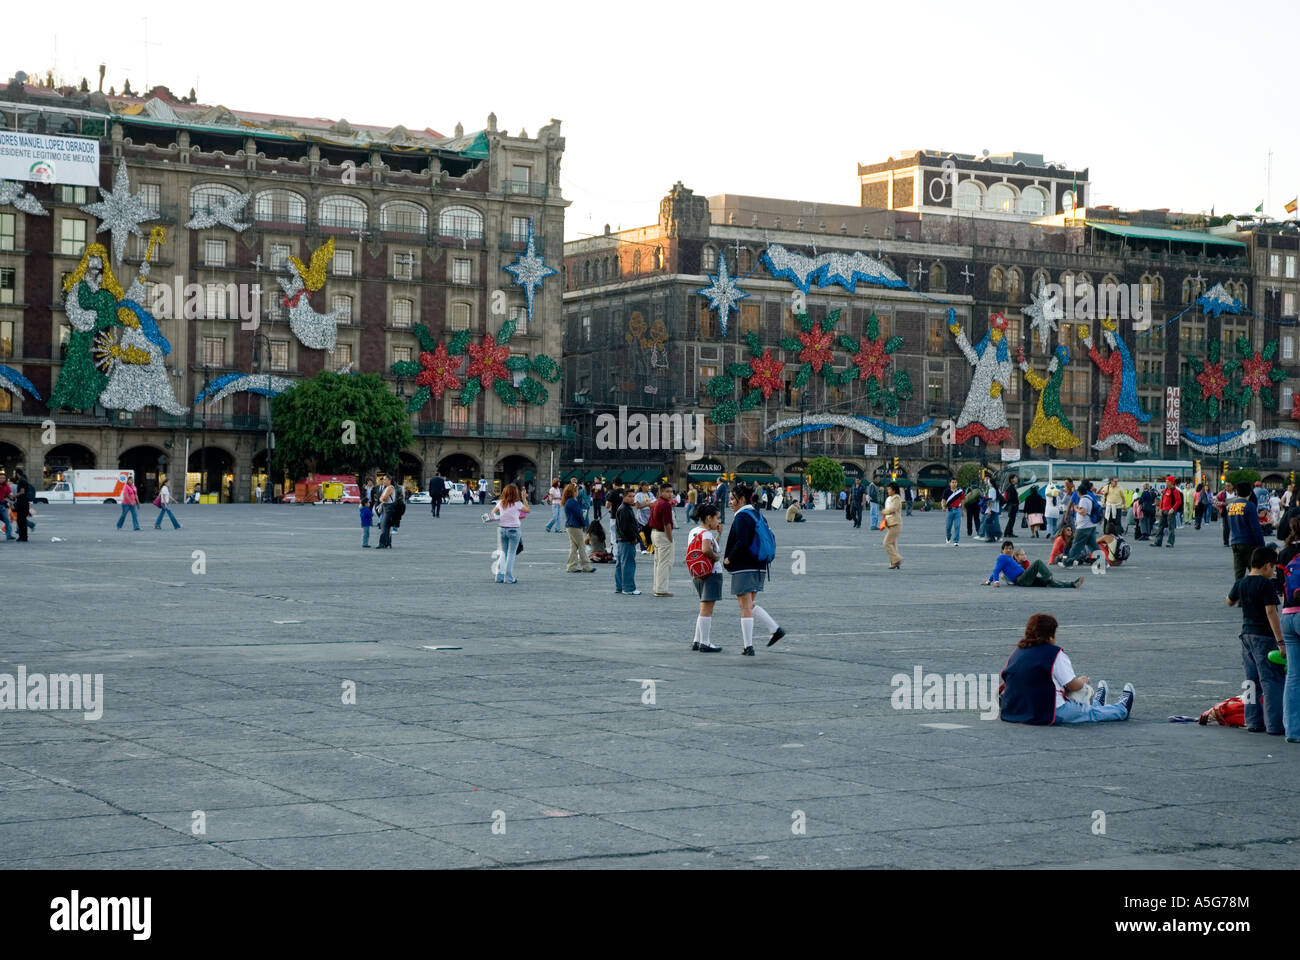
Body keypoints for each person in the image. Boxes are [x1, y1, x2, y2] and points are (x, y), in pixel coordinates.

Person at [999, 613, 1134, 724]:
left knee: (1083, 709)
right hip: (1048, 711)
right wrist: (1083, 681)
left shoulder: (1017, 652)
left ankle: (1097, 703)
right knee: (1090, 713)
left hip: (1015, 711)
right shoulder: (1054, 654)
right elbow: (1072, 686)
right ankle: (1121, 709)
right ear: (1051, 636)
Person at [1228, 546, 1286, 735]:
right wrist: (1280, 641)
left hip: (1246, 635)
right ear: (1267, 565)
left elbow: (1229, 601)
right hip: (1264, 637)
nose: (1274, 571)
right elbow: (1271, 611)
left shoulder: (1242, 582)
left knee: (1251, 680)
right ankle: (1275, 724)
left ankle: (1253, 720)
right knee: (1271, 681)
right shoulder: (1265, 584)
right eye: (1273, 567)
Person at [724, 482, 784, 655]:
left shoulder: (741, 517)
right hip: (759, 564)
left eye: (732, 499)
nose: (730, 502)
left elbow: (742, 541)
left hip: (744, 565)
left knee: (745, 606)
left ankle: (748, 646)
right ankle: (774, 628)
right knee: (748, 604)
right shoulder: (757, 515)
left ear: (741, 499)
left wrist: (730, 558)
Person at [687, 503, 725, 653]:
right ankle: (705, 642)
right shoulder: (706, 533)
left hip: (697, 573)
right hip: (711, 573)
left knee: (703, 607)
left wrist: (719, 535)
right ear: (708, 518)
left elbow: (702, 548)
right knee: (707, 609)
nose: (718, 521)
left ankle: (697, 640)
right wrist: (716, 557)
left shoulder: (694, 531)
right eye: (717, 518)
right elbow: (706, 549)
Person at [982, 541, 1084, 588]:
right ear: (1002, 550)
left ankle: (1072, 584)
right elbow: (996, 570)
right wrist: (995, 581)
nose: (1009, 550)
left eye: (1010, 548)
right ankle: (1049, 576)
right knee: (1038, 562)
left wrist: (988, 581)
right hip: (1021, 579)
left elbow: (996, 570)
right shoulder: (1002, 557)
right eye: (1006, 548)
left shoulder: (1008, 558)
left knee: (1048, 583)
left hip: (1025, 578)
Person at [489, 483, 529, 583]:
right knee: (511, 554)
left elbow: (492, 513)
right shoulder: (517, 503)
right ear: (516, 493)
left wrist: (503, 514)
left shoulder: (501, 503)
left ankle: (499, 576)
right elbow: (527, 510)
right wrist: (524, 498)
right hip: (514, 530)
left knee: (503, 553)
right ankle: (509, 577)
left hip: (502, 529)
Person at [1227, 481, 1265, 581]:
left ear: (1237, 492)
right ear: (1250, 493)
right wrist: (1262, 546)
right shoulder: (1250, 506)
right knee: (1255, 573)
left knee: (1238, 575)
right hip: (1249, 543)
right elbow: (1255, 529)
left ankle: (1237, 595)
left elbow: (1229, 525)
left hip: (1235, 542)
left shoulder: (1231, 506)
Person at [1061, 480, 1100, 567]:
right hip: (1091, 526)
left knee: (1076, 545)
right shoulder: (1090, 497)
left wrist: (1076, 509)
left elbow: (1083, 512)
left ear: (1079, 492)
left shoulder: (1083, 500)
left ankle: (1068, 562)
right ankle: (1103, 562)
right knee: (1093, 545)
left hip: (1083, 527)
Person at [648, 482, 676, 596]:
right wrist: (670, 539)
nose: (670, 494)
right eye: (667, 492)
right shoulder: (665, 505)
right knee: (665, 563)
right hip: (663, 534)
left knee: (658, 562)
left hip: (654, 533)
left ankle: (657, 587)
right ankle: (661, 589)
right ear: (661, 492)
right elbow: (667, 524)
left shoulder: (655, 503)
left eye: (671, 491)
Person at [562, 483, 595, 574]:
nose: (578, 492)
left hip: (570, 526)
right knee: (582, 546)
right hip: (575, 526)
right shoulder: (572, 501)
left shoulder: (568, 501)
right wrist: (585, 523)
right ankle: (586, 566)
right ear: (573, 491)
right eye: (576, 490)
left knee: (574, 547)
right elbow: (579, 514)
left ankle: (571, 566)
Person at [614, 488, 641, 595]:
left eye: (633, 496)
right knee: (628, 564)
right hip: (626, 540)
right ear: (624, 497)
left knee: (621, 564)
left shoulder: (623, 508)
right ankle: (628, 588)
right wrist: (633, 538)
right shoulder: (625, 509)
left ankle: (620, 586)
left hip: (621, 540)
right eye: (629, 496)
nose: (632, 498)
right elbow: (626, 527)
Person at [1149, 476, 1182, 549]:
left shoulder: (1175, 491)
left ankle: (1170, 542)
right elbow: (1162, 501)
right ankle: (1158, 542)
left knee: (1171, 527)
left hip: (1170, 511)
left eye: (1167, 481)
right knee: (1160, 527)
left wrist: (1173, 509)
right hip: (1163, 511)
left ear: (1171, 482)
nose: (1166, 483)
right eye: (1166, 481)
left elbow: (1179, 501)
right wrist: (1160, 509)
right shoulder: (1165, 490)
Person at [882, 481, 904, 569]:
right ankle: (894, 563)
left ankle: (897, 559)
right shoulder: (890, 498)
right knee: (893, 544)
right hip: (890, 523)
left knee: (886, 543)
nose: (888, 491)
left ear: (894, 490)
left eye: (889, 489)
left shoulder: (896, 498)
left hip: (895, 523)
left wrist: (884, 511)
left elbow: (893, 509)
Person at [375, 474, 396, 548]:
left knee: (383, 526)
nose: (383, 481)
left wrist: (381, 498)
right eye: (383, 479)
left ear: (389, 480)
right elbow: (382, 498)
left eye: (385, 479)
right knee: (386, 526)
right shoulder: (387, 488)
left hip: (388, 508)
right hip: (387, 508)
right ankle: (387, 543)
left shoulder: (390, 488)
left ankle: (382, 543)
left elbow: (383, 498)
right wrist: (382, 498)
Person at [943, 478, 964, 545]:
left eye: (955, 482)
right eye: (953, 482)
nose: (954, 484)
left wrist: (963, 510)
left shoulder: (960, 491)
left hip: (958, 510)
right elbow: (943, 500)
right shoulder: (947, 491)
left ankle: (956, 541)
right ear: (950, 483)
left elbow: (962, 501)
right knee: (948, 527)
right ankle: (948, 537)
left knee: (957, 526)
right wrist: (943, 506)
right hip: (949, 510)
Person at [1002, 474, 1019, 538]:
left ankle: (1007, 533)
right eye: (1015, 478)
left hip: (1012, 506)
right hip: (1012, 506)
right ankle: (1009, 533)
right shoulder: (1011, 488)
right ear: (1012, 480)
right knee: (1012, 520)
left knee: (1011, 520)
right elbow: (1010, 498)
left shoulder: (1012, 487)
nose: (1017, 479)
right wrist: (1015, 501)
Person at [0, 471, 11, 541]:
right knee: (7, 520)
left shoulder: (6, 485)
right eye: (1, 478)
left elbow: (9, 494)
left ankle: (9, 535)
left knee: (7, 520)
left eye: (4, 478)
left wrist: (13, 498)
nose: (2, 479)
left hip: (2, 505)